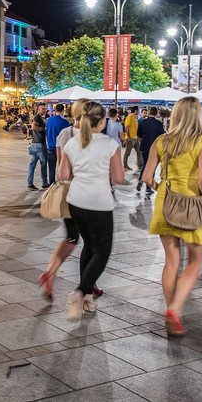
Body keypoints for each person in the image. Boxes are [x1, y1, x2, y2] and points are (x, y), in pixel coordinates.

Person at [142, 96, 202, 337]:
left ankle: (170, 311)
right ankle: (174, 309)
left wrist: (160, 186)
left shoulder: (161, 141)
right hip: (192, 203)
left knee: (171, 261)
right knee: (194, 261)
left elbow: (146, 177)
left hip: (165, 203)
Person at [58, 101, 123, 321]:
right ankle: (80, 291)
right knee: (102, 251)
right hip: (100, 203)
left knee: (89, 245)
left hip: (75, 202)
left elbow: (63, 175)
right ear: (103, 121)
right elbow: (119, 178)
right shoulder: (109, 144)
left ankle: (87, 296)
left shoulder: (73, 143)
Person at [40, 98, 104, 301]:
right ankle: (88, 283)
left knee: (71, 237)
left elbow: (62, 170)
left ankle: (50, 272)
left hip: (68, 193)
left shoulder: (64, 133)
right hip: (87, 194)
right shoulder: (93, 135)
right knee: (94, 242)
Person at [136, 107, 166, 195]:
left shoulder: (142, 122)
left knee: (146, 164)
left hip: (144, 146)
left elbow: (139, 135)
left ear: (149, 113)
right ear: (156, 114)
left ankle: (141, 180)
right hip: (155, 147)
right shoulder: (159, 124)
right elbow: (162, 137)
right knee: (152, 166)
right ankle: (148, 188)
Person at [45, 104, 70, 183]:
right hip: (61, 148)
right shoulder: (65, 122)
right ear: (63, 111)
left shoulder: (49, 120)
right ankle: (61, 183)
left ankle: (51, 185)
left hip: (50, 147)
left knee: (51, 169)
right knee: (62, 167)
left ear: (55, 110)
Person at [27, 104, 48, 190]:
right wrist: (44, 128)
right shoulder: (37, 117)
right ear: (38, 109)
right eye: (42, 109)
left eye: (45, 109)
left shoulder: (40, 118)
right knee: (43, 164)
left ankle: (30, 183)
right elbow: (34, 127)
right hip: (39, 145)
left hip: (34, 144)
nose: (44, 110)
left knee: (32, 164)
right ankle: (44, 183)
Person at [123, 105, 142, 171]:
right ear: (135, 111)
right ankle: (125, 165)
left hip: (135, 138)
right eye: (138, 110)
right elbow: (126, 127)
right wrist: (128, 137)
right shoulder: (129, 117)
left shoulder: (135, 118)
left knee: (139, 152)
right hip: (130, 138)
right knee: (127, 153)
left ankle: (140, 165)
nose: (139, 111)